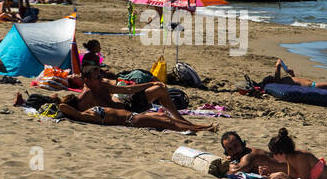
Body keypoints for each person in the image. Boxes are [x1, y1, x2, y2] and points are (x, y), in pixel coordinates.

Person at [61, 55, 192, 124]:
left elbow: (128, 90)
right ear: (87, 81)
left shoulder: (103, 85)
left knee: (159, 89)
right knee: (160, 104)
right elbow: (77, 113)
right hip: (127, 113)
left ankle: (178, 117)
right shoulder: (85, 97)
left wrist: (149, 84)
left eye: (100, 76)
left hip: (128, 104)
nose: (100, 79)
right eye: (97, 77)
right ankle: (179, 119)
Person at [58, 102, 216, 133]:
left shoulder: (87, 112)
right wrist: (59, 102)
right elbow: (62, 107)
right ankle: (203, 128)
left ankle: (198, 125)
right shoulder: (85, 116)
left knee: (165, 116)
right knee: (168, 123)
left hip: (134, 116)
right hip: (132, 121)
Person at [257, 59, 327, 92]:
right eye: (272, 77)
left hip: (313, 85)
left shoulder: (283, 81)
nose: (273, 76)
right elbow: (278, 63)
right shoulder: (277, 82)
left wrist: (291, 74)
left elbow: (295, 81)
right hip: (313, 86)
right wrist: (280, 66)